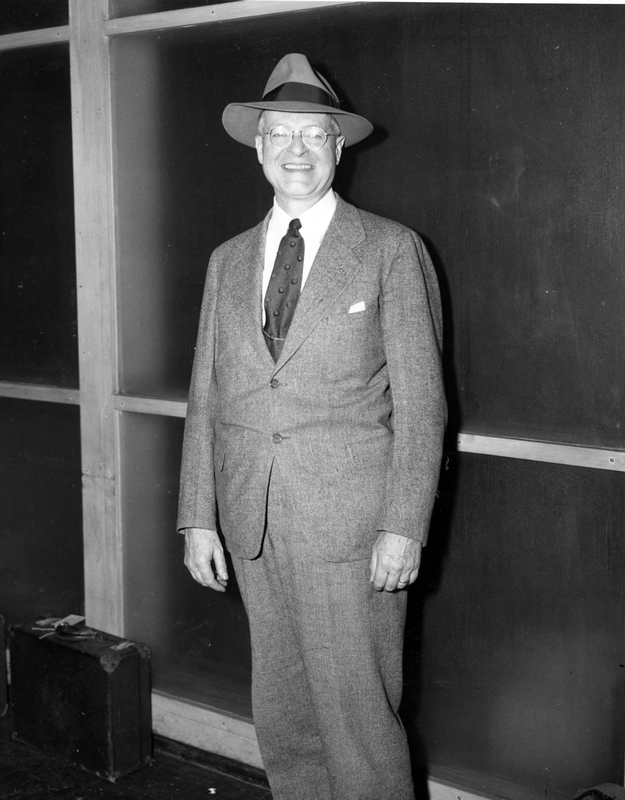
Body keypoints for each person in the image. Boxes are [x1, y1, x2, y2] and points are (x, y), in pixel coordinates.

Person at [178, 53, 446, 800]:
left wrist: (404, 525)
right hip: (253, 521)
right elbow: (207, 395)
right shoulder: (227, 261)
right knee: (287, 719)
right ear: (258, 148)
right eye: (279, 135)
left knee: (358, 720)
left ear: (338, 147)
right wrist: (198, 517)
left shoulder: (389, 249)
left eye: (313, 135)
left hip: (352, 530)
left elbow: (424, 404)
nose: (296, 150)